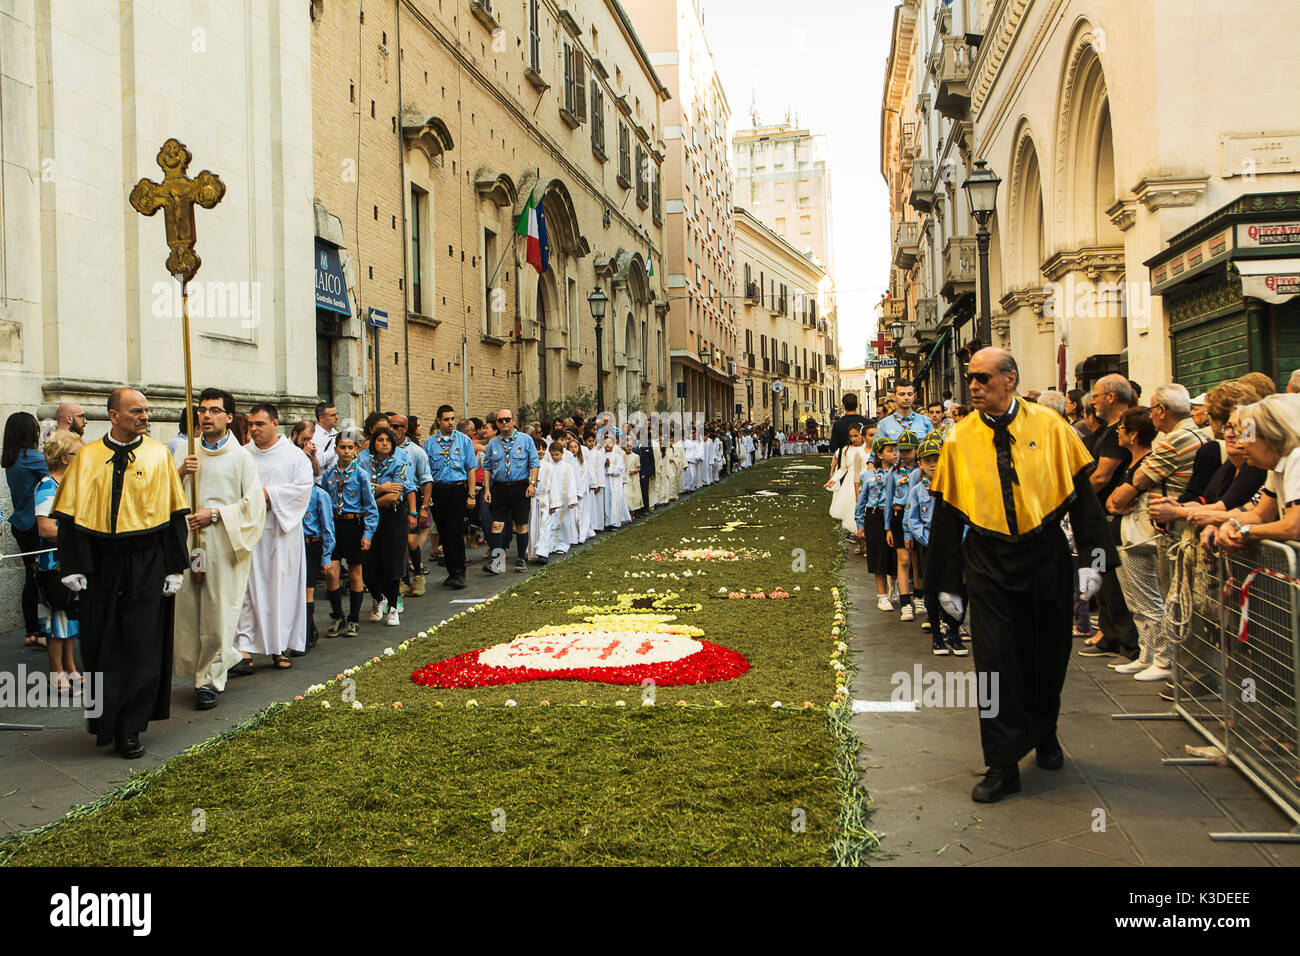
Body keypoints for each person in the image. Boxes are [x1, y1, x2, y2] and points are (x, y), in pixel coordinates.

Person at [927, 349, 1114, 803]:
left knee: (1048, 654)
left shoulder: (1051, 428)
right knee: (993, 663)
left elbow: (1082, 501)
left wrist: (1094, 560)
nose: (973, 386)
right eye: (970, 378)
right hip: (988, 561)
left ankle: (1044, 731)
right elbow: (947, 518)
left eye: (983, 378)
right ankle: (1001, 763)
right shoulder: (957, 439)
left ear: (1010, 379)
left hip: (1045, 555)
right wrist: (946, 584)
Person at [53, 388, 190, 758]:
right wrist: (72, 565)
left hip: (146, 563)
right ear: (114, 415)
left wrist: (174, 567)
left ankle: (131, 727)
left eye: (146, 411)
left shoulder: (159, 456)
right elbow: (68, 516)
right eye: (136, 411)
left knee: (142, 644)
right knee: (100, 644)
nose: (145, 416)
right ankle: (106, 720)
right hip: (100, 565)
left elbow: (175, 517)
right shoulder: (87, 458)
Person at [172, 389, 267, 707]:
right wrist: (180, 473)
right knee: (189, 612)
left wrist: (215, 514)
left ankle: (210, 681)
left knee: (218, 612)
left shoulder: (241, 458)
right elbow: (163, 495)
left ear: (229, 416)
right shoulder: (187, 452)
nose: (206, 416)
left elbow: (254, 505)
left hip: (224, 543)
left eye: (214, 410)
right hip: (189, 543)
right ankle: (197, 669)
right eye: (202, 410)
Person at [235, 404, 314, 668]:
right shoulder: (241, 455)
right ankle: (244, 648)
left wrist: (269, 495)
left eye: (259, 424)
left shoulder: (294, 457)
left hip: (282, 531)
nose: (254, 429)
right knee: (248, 589)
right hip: (250, 531)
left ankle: (280, 647)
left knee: (281, 589)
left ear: (275, 424)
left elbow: (303, 489)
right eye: (251, 424)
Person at [1102, 407, 1171, 681]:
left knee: (1150, 601)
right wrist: (1116, 502)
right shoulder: (1132, 464)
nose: (1117, 432)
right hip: (1124, 538)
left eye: (1121, 428)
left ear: (1133, 435)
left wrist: (1116, 502)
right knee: (1135, 602)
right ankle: (1146, 653)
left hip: (1140, 540)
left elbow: (1119, 501)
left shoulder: (1148, 464)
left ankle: (1162, 658)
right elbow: (1113, 501)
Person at [1079, 374, 1141, 662]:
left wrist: (1074, 497)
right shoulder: (1109, 430)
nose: (1093, 401)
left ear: (1112, 397)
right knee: (1102, 579)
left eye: (1097, 395)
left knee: (1116, 583)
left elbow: (1102, 476)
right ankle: (1109, 635)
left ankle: (1126, 643)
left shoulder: (1122, 430)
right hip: (1100, 515)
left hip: (1111, 516)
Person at [1211, 393, 1300, 552]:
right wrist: (1232, 524)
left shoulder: (1296, 458)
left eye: (1247, 436)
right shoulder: (1276, 466)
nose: (1239, 444)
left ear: (1271, 436)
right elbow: (1260, 515)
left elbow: (1293, 527)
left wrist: (1245, 531)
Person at [904, 433, 965, 656]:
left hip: (954, 545)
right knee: (931, 587)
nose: (933, 465)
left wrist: (961, 538)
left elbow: (966, 517)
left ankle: (955, 633)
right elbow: (913, 519)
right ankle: (937, 636)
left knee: (957, 588)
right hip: (929, 545)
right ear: (920, 463)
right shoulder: (917, 491)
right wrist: (927, 540)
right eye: (928, 461)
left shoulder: (956, 488)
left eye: (937, 460)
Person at [33, 430, 83, 693]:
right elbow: (45, 528)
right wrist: (78, 530)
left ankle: (71, 667)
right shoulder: (46, 486)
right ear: (65, 458)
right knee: (55, 621)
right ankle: (57, 673)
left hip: (68, 561)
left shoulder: (69, 485)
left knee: (70, 619)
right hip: (53, 564)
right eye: (78, 453)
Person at [321, 429, 377, 637]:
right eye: (342, 447)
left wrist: (368, 534)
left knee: (355, 573)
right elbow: (324, 504)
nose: (346, 452)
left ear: (355, 449)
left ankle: (353, 619)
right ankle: (337, 615)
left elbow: (371, 507)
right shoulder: (328, 476)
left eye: (350, 448)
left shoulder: (361, 475)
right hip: (334, 527)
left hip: (354, 526)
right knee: (331, 572)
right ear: (335, 449)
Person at [4, 411, 49, 649]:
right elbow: (53, 480)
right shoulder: (32, 457)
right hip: (34, 523)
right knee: (42, 578)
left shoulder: (11, 459)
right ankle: (40, 631)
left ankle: (31, 630)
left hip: (19, 524)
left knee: (30, 578)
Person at [364, 425, 417, 623]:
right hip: (369, 518)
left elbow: (397, 494)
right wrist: (382, 489)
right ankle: (378, 599)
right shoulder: (363, 462)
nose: (384, 443)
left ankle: (393, 607)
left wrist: (373, 493)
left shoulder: (399, 461)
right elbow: (361, 489)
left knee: (392, 563)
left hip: (393, 516)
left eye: (388, 440)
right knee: (369, 564)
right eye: (380, 440)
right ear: (373, 443)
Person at [424, 404, 477, 589]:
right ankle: (451, 572)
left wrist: (471, 495)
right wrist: (427, 496)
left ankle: (460, 571)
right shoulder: (430, 443)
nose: (450, 423)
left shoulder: (463, 441)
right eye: (446, 419)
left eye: (452, 419)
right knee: (444, 532)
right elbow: (426, 473)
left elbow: (470, 468)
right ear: (439, 420)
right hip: (439, 491)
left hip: (457, 489)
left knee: (455, 530)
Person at [483, 408, 540, 573]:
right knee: (496, 525)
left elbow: (534, 463)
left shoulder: (525, 440)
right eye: (500, 421)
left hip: (520, 487)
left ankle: (521, 559)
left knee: (521, 525)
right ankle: (497, 562)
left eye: (507, 419)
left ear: (513, 421)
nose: (504, 423)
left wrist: (532, 484)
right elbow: (487, 468)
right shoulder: (493, 443)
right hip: (499, 488)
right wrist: (487, 489)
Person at [298, 433, 334, 650]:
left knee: (307, 590)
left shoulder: (319, 495)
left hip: (312, 545)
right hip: (295, 545)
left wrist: (326, 556)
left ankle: (308, 630)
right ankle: (304, 629)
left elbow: (327, 527)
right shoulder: (292, 494)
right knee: (297, 590)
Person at [856, 435, 898, 609]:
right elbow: (862, 500)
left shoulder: (899, 473)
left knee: (896, 554)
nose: (895, 454)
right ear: (879, 455)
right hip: (875, 516)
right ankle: (882, 596)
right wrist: (860, 524)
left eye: (896, 451)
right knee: (878, 555)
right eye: (890, 451)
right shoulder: (867, 476)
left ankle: (894, 584)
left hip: (895, 515)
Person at [886, 431, 921, 620]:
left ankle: (918, 595)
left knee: (917, 559)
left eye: (909, 451)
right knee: (903, 559)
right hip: (899, 518)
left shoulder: (921, 471)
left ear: (916, 450)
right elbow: (889, 499)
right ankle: (905, 600)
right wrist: (888, 527)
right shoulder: (894, 473)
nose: (906, 454)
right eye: (902, 451)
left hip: (918, 518)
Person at [534, 440, 575, 562]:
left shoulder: (568, 467)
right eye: (553, 455)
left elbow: (572, 483)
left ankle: (562, 544)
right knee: (549, 524)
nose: (555, 457)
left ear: (562, 453)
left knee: (564, 523)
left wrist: (571, 499)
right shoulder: (547, 466)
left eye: (557, 454)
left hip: (564, 499)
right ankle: (550, 545)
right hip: (550, 498)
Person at [827, 424, 868, 539]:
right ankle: (857, 536)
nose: (854, 439)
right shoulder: (846, 450)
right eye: (851, 436)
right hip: (850, 482)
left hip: (864, 478)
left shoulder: (866, 448)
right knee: (852, 508)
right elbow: (843, 468)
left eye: (856, 435)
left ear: (862, 435)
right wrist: (833, 479)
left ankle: (865, 534)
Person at [599, 433, 631, 528]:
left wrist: (610, 466)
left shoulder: (617, 456)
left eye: (610, 443)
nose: (608, 445)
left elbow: (621, 469)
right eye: (606, 443)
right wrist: (604, 466)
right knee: (606, 502)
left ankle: (615, 522)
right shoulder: (601, 455)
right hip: (606, 482)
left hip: (615, 481)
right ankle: (608, 522)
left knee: (615, 501)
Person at [315, 401, 340, 476]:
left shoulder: (337, 434)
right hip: (322, 483)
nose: (337, 417)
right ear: (321, 418)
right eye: (333, 415)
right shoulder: (313, 436)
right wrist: (336, 449)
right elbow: (318, 462)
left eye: (337, 414)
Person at [624, 438, 644, 514]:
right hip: (626, 477)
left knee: (635, 494)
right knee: (627, 495)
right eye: (627, 446)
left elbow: (639, 468)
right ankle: (628, 511)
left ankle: (634, 511)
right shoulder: (623, 455)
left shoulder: (636, 456)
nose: (629, 448)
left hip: (633, 478)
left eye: (630, 446)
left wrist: (634, 471)